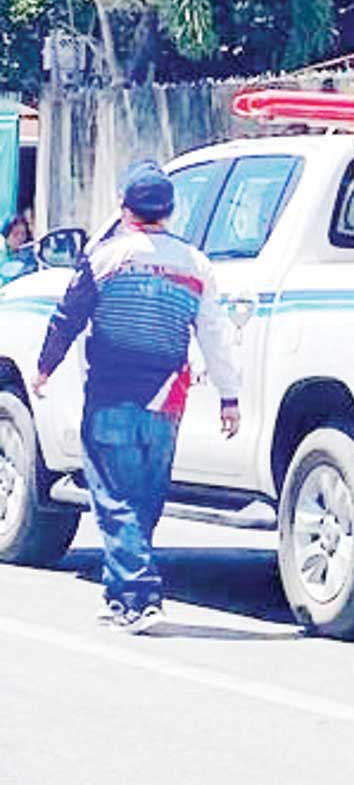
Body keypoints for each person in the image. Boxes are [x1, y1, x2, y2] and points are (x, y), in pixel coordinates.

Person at [32, 160, 240, 633]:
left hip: (110, 395)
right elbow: (215, 334)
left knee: (113, 499)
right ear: (170, 210)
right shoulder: (196, 264)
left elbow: (68, 317)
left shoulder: (103, 257)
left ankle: (140, 595)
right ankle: (119, 594)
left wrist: (44, 368)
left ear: (125, 210)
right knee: (144, 500)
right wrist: (230, 397)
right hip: (167, 403)